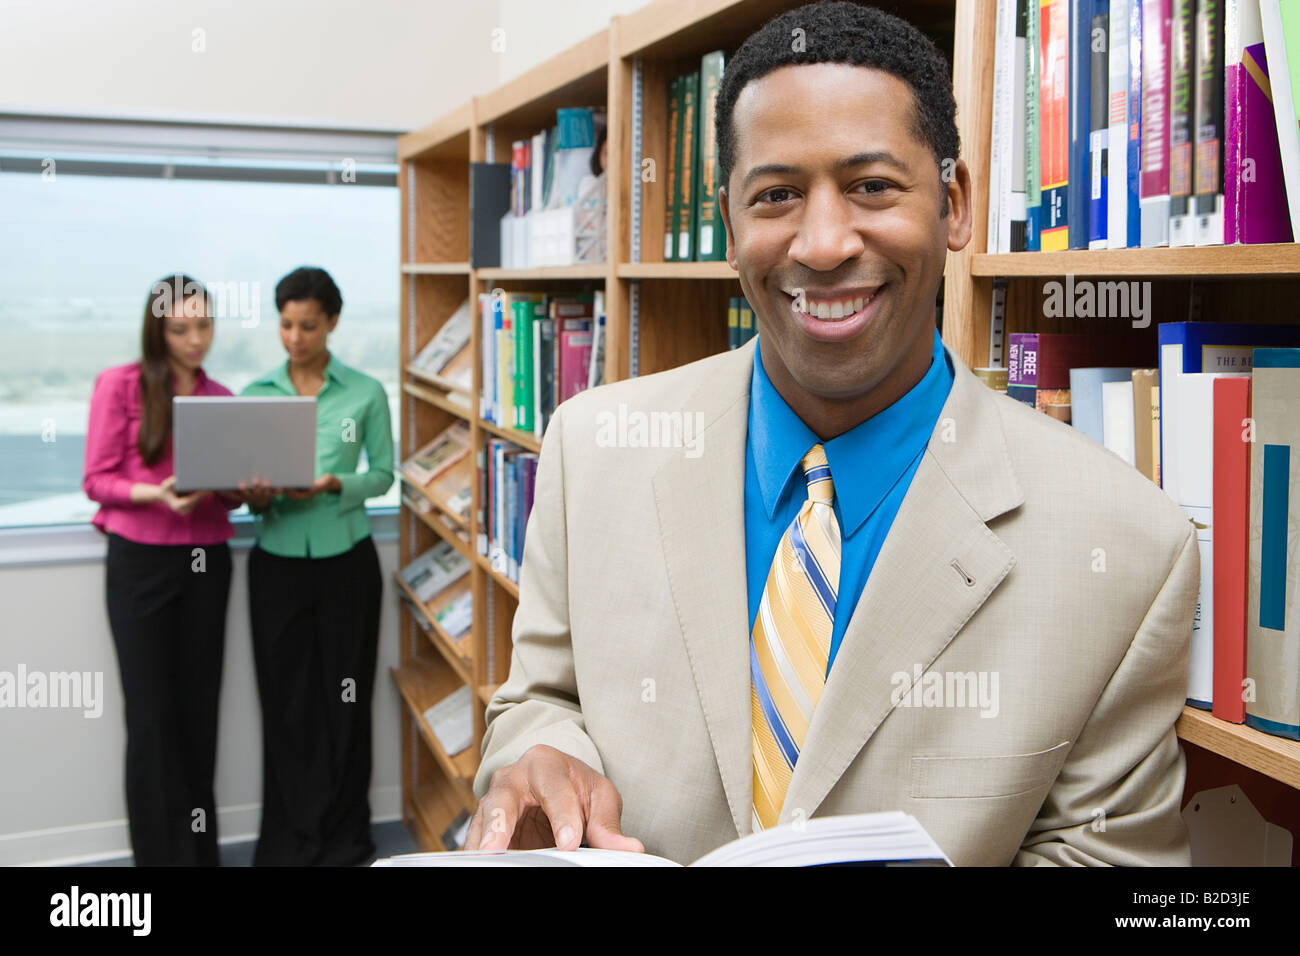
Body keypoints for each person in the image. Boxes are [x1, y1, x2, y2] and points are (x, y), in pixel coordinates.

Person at [468, 2, 1199, 865]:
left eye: (872, 187)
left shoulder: (1129, 546)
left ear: (954, 204)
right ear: (731, 225)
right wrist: (541, 758)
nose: (821, 244)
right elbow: (540, 701)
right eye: (777, 195)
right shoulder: (592, 450)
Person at [236, 266, 393, 866]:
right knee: (287, 705)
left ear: (332, 322)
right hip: (276, 566)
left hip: (345, 566)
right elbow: (246, 485)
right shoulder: (256, 397)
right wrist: (254, 494)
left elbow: (383, 474)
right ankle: (288, 841)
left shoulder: (365, 393)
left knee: (346, 702)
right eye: (285, 324)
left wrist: (335, 483)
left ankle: (345, 840)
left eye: (307, 325)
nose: (295, 337)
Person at [83, 274, 238, 866]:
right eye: (181, 328)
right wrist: (156, 495)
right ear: (158, 329)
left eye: (204, 326)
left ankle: (200, 858)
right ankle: (156, 862)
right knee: (150, 719)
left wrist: (240, 486)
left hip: (207, 564)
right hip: (141, 564)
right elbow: (96, 480)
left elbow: (227, 500)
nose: (196, 339)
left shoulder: (221, 398)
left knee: (200, 715)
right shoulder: (119, 386)